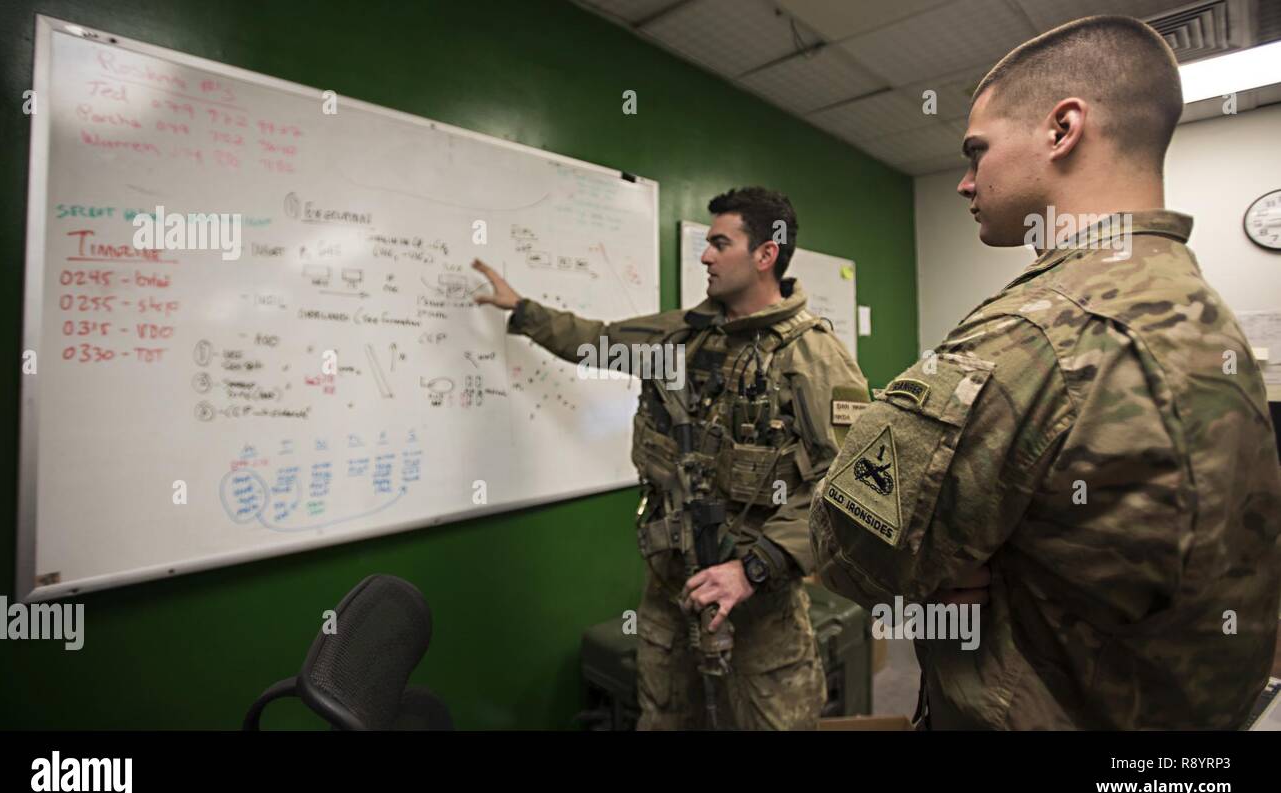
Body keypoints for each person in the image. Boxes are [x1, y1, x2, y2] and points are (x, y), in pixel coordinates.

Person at [808, 15, 1281, 729]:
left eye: (978, 150)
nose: (965, 182)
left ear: (1062, 129)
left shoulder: (1038, 332)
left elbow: (848, 547)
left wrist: (950, 575)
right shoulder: (1198, 308)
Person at [474, 187, 869, 729]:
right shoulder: (682, 337)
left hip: (758, 605)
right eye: (706, 243)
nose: (705, 256)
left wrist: (754, 568)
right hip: (669, 589)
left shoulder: (812, 355)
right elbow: (597, 341)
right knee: (662, 719)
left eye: (719, 243)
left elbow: (852, 484)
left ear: (765, 254)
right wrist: (522, 310)